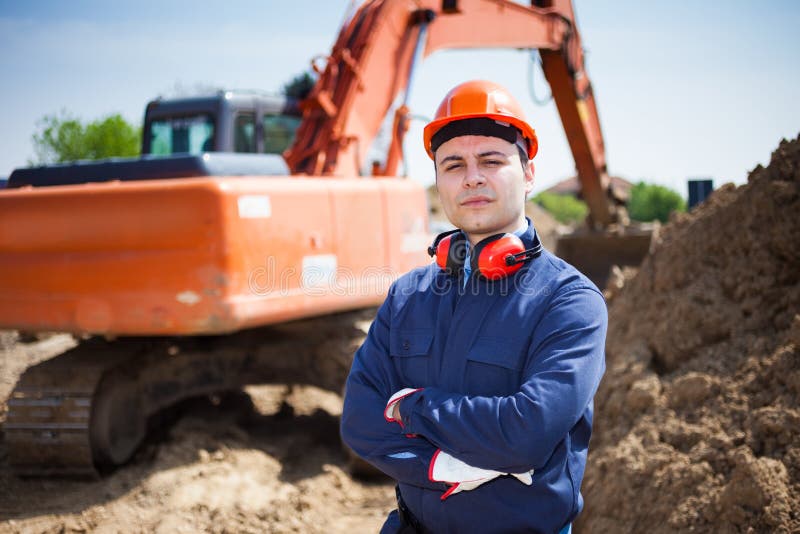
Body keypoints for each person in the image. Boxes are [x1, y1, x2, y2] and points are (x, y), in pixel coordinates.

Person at [340, 80, 607, 534]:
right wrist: (444, 467)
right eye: (453, 164)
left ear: (527, 173)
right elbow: (360, 423)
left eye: (491, 160)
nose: (472, 177)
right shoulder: (408, 295)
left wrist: (414, 407)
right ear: (439, 180)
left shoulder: (570, 300)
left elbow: (525, 433)